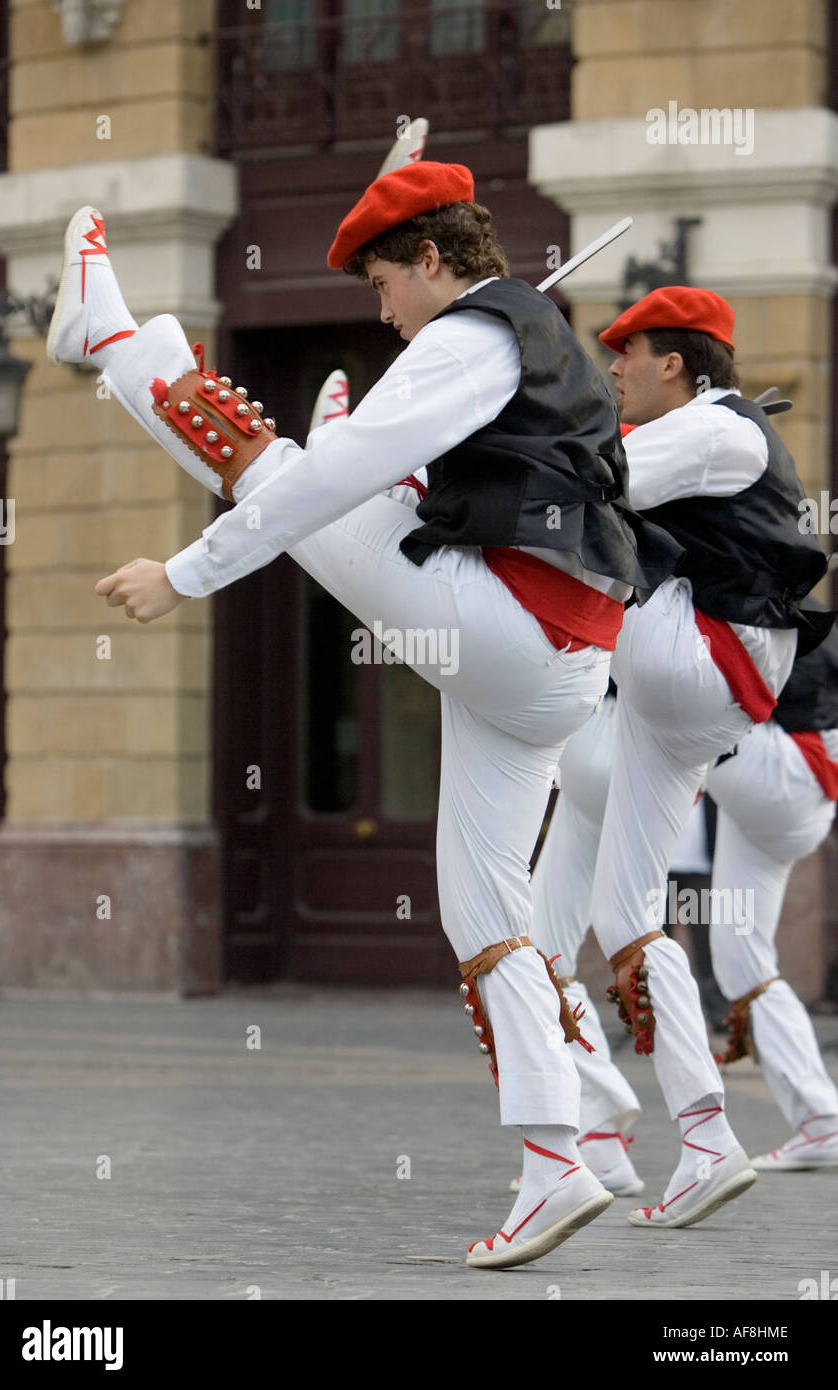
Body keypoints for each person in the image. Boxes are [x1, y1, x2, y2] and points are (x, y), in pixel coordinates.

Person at [46, 164, 678, 1269]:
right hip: (555, 659)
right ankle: (552, 1162)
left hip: (508, 632)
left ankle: (111, 333)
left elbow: (320, 485)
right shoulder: (534, 347)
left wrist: (185, 575)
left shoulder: (471, 339)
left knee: (272, 468)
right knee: (484, 909)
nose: (379, 307)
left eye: (384, 281)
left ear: (432, 259)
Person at [579, 286, 831, 1228]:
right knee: (623, 911)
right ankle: (704, 1137)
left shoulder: (720, 429)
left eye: (626, 352)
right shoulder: (713, 435)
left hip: (706, 662)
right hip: (703, 689)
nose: (612, 367)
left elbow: (599, 473)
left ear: (675, 362)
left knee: (566, 585)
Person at [707, 622, 838, 1171]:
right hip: (796, 788)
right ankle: (820, 1119)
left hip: (786, 772)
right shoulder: (780, 594)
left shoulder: (764, 597)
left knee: (658, 711)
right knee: (740, 957)